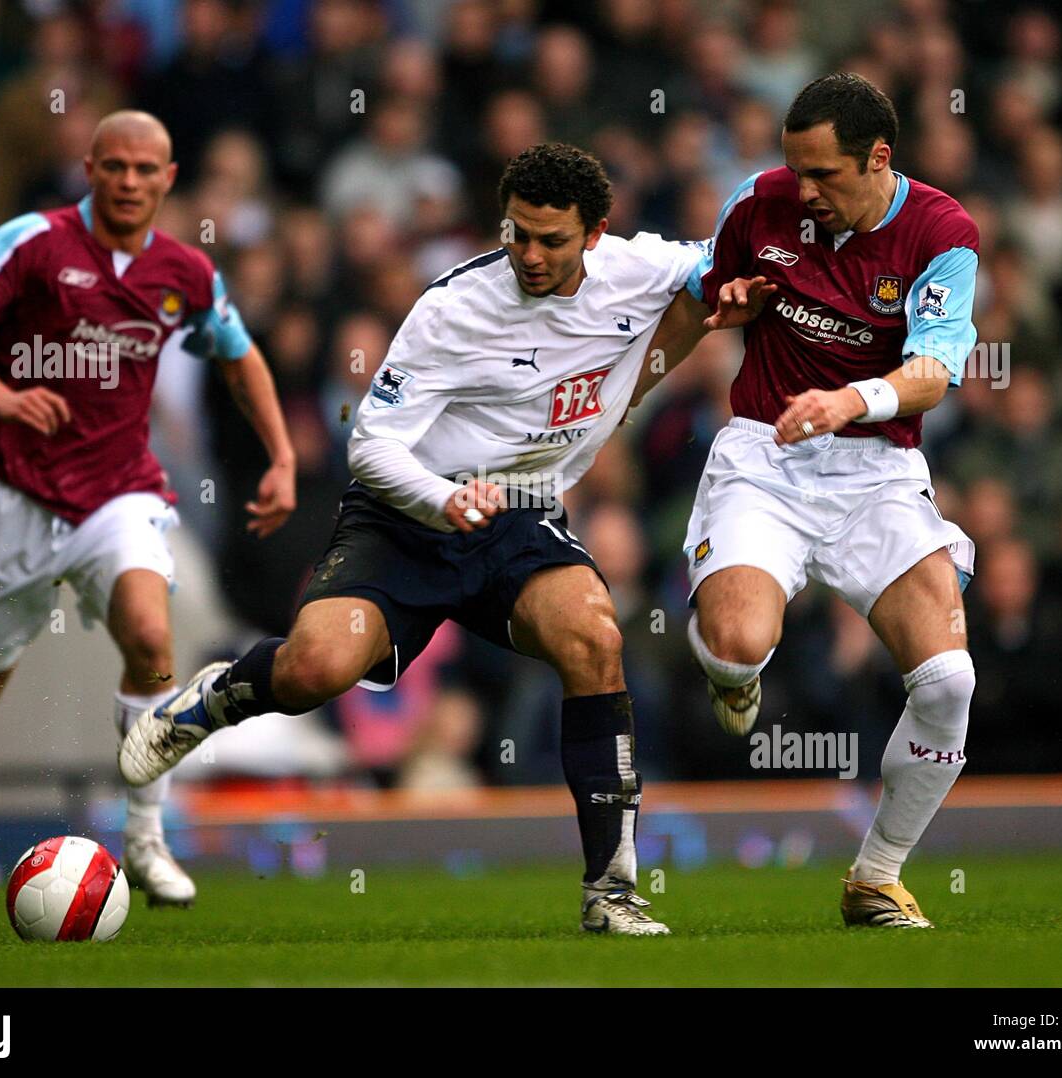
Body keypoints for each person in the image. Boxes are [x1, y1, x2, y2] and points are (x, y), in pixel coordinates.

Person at [121, 143, 712, 935]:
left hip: (520, 514)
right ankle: (212, 699)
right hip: (405, 516)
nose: (530, 256)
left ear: (595, 235)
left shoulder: (641, 267)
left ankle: (610, 893)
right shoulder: (453, 307)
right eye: (517, 234)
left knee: (595, 638)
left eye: (552, 240)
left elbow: (724, 257)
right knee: (315, 668)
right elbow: (370, 444)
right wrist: (443, 497)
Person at [0, 110, 296, 914]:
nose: (132, 182)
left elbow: (240, 355)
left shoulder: (183, 271)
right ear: (91, 169)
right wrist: (3, 395)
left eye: (148, 170)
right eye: (116, 167)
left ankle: (146, 833)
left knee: (150, 637)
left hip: (121, 493)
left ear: (170, 179)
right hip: (14, 496)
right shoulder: (30, 243)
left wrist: (280, 457)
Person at [635, 73, 980, 928]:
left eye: (824, 175)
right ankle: (733, 678)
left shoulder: (942, 233)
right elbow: (699, 303)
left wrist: (850, 401)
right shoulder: (760, 202)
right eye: (796, 171)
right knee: (738, 645)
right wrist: (694, 338)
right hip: (766, 457)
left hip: (877, 469)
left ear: (879, 158)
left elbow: (934, 373)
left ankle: (876, 877)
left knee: (947, 682)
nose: (806, 192)